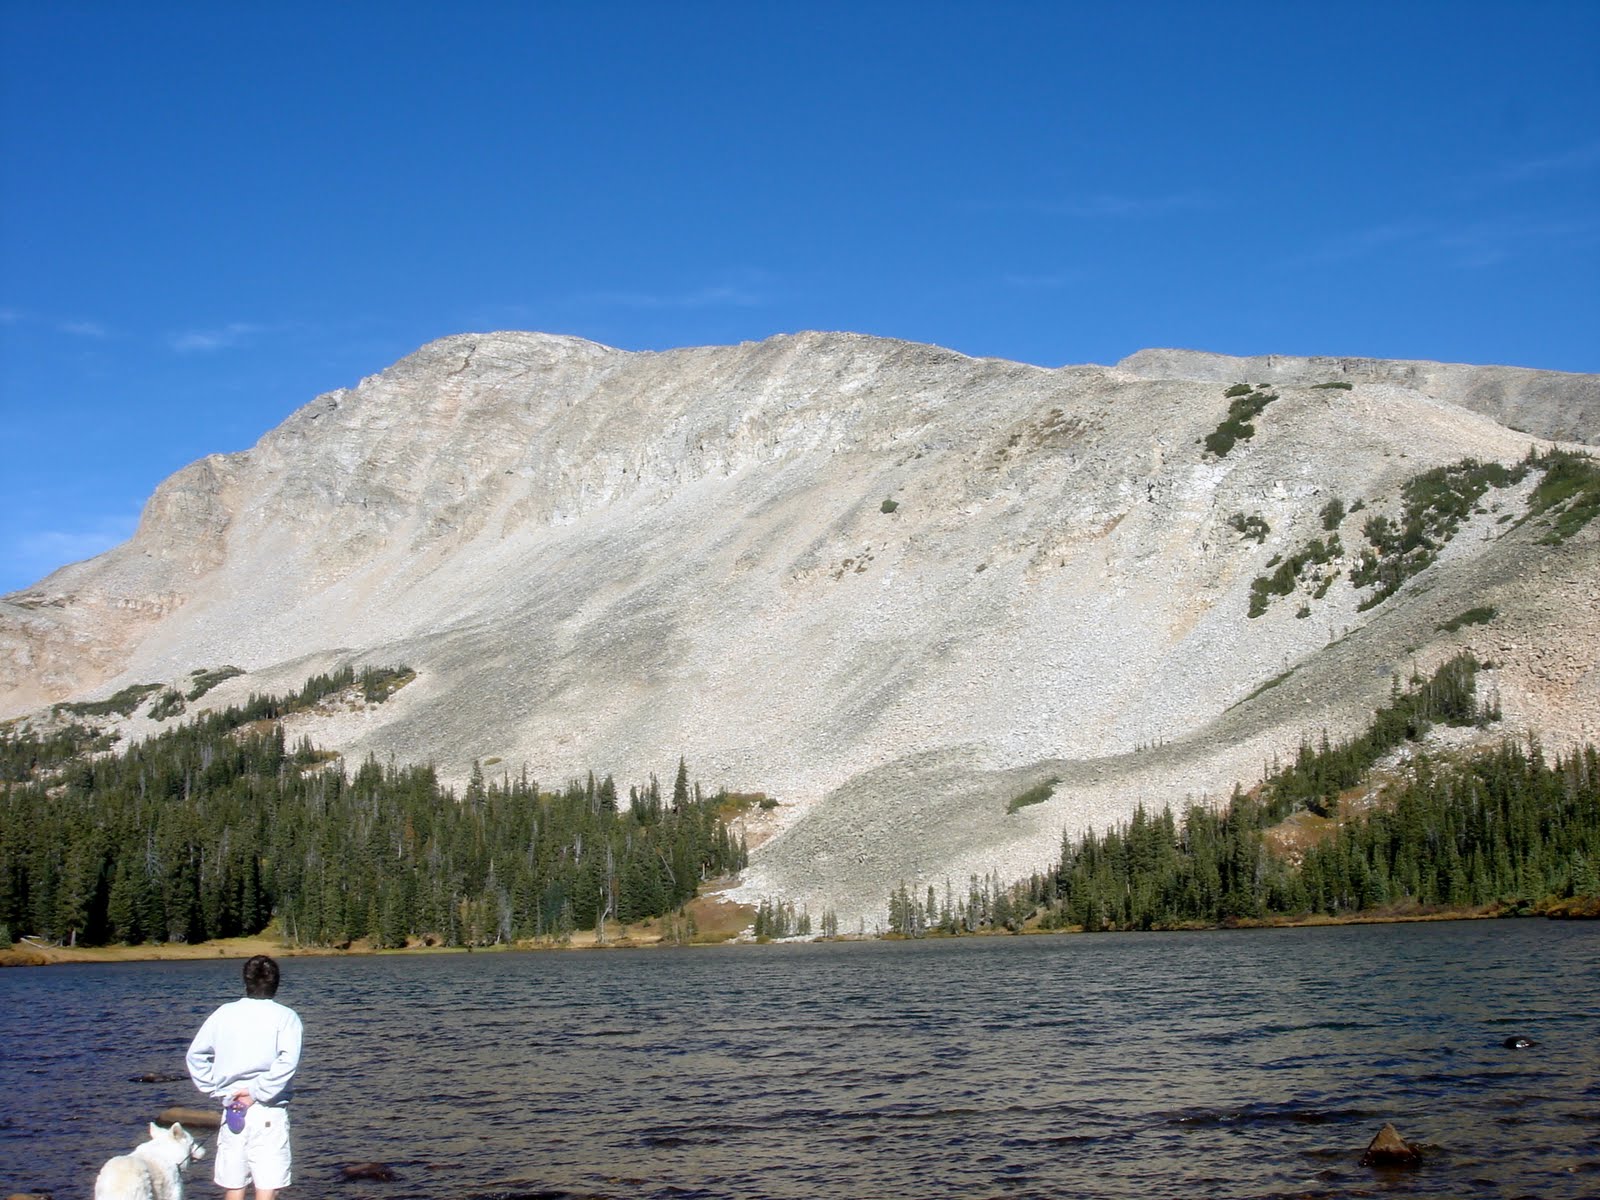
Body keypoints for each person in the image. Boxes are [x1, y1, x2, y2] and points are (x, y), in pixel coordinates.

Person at [186, 955, 303, 1200]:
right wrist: (256, 1092)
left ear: (246, 981)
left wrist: (217, 1090)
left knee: (234, 1186)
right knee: (267, 1188)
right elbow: (286, 1063)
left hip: (232, 1111)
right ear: (276, 983)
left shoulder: (223, 1013)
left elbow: (195, 1056)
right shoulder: (286, 1016)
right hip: (269, 1111)